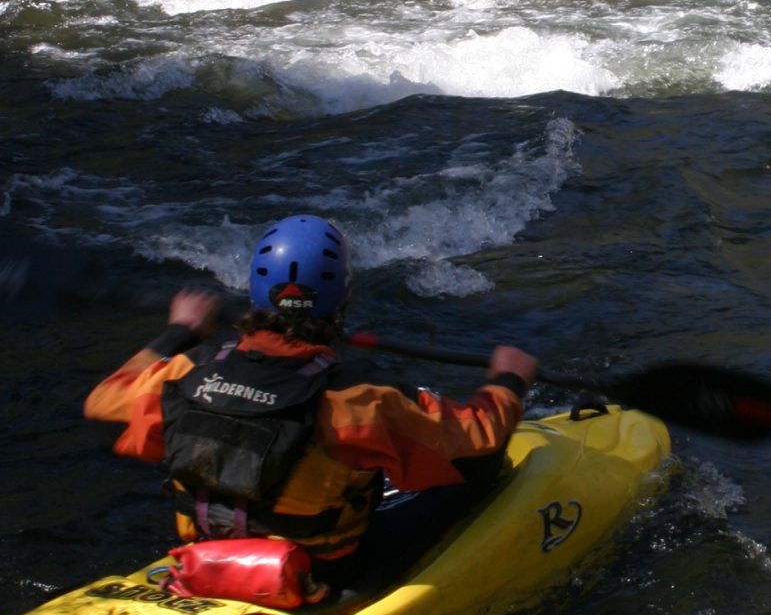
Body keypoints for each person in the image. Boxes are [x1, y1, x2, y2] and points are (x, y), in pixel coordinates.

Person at [84, 212, 537, 595]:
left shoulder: (185, 374)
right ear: (344, 295)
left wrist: (180, 331)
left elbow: (105, 399)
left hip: (204, 555)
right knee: (477, 466)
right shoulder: (359, 398)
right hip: (322, 574)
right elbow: (479, 432)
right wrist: (507, 381)